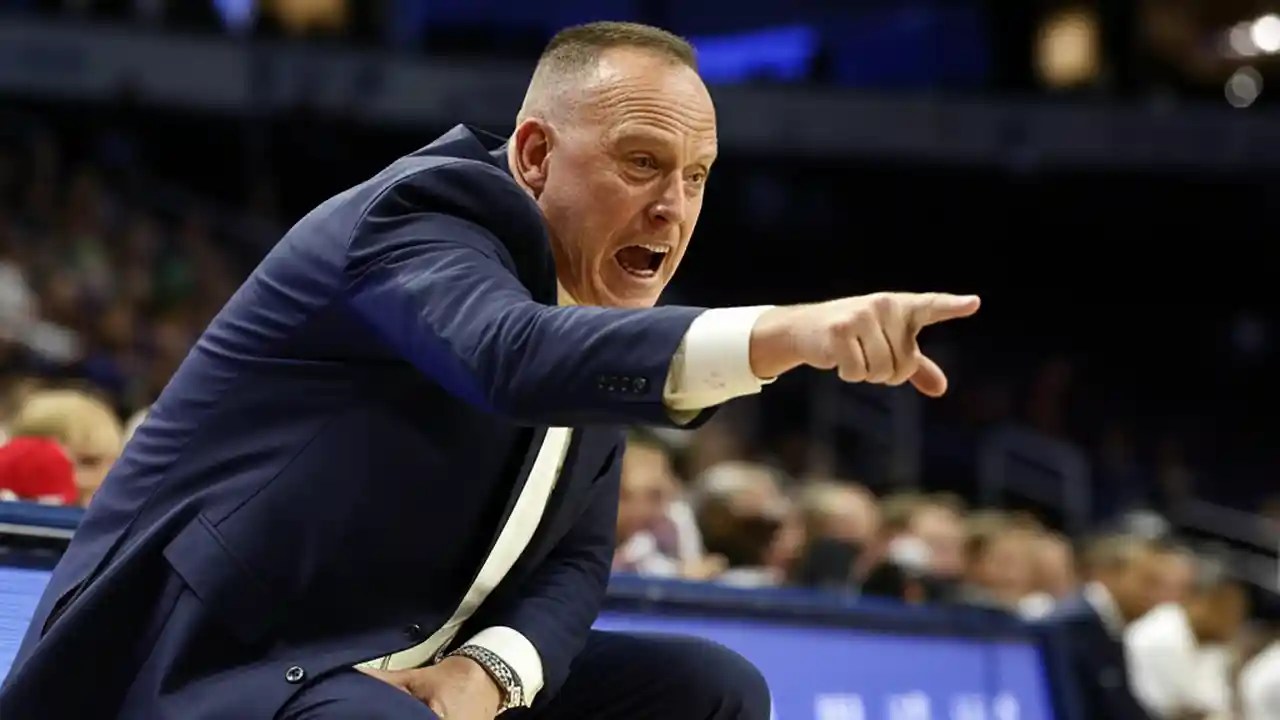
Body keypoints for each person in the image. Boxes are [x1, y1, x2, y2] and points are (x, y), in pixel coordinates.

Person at [0, 21, 980, 720]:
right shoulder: (418, 217)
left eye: (695, 177)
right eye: (641, 163)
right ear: (534, 154)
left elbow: (575, 561)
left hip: (410, 669)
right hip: (217, 666)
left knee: (710, 690)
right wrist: (785, 335)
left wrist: (488, 676)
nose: (673, 209)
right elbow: (507, 357)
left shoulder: (597, 306)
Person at [1033, 533, 1165, 720]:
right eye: (1148, 582)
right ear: (1109, 574)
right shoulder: (1071, 625)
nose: (1157, 596)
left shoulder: (1108, 625)